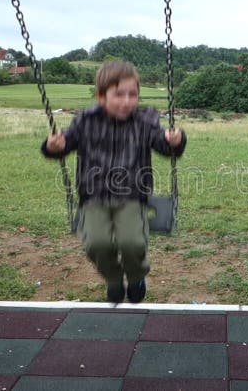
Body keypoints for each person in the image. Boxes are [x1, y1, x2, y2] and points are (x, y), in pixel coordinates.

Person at [41, 60, 186, 304]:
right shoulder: (85, 121)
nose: (127, 101)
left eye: (133, 94)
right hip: (93, 196)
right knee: (97, 244)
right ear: (101, 96)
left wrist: (174, 142)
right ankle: (114, 279)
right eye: (119, 94)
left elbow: (164, 146)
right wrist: (53, 146)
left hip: (131, 195)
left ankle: (137, 276)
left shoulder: (144, 122)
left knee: (132, 242)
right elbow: (63, 146)